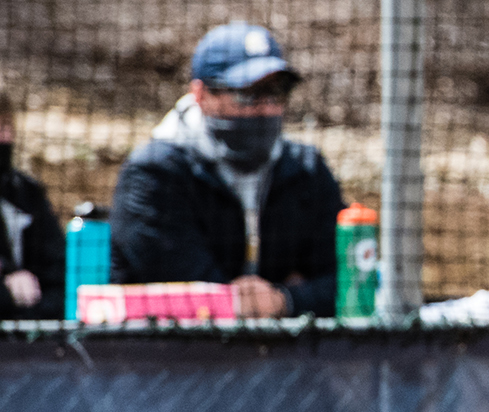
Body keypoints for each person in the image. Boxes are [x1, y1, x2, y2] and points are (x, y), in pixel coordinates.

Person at [109, 21, 344, 317]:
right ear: (202, 95)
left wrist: (285, 299)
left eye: (276, 92)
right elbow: (185, 288)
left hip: (295, 357)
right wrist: (281, 295)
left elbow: (347, 281)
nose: (265, 108)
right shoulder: (154, 174)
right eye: (246, 95)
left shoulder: (306, 170)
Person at [0, 87, 64, 320]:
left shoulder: (26, 192)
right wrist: (7, 291)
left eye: (7, 126)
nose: (5, 138)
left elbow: (59, 274)